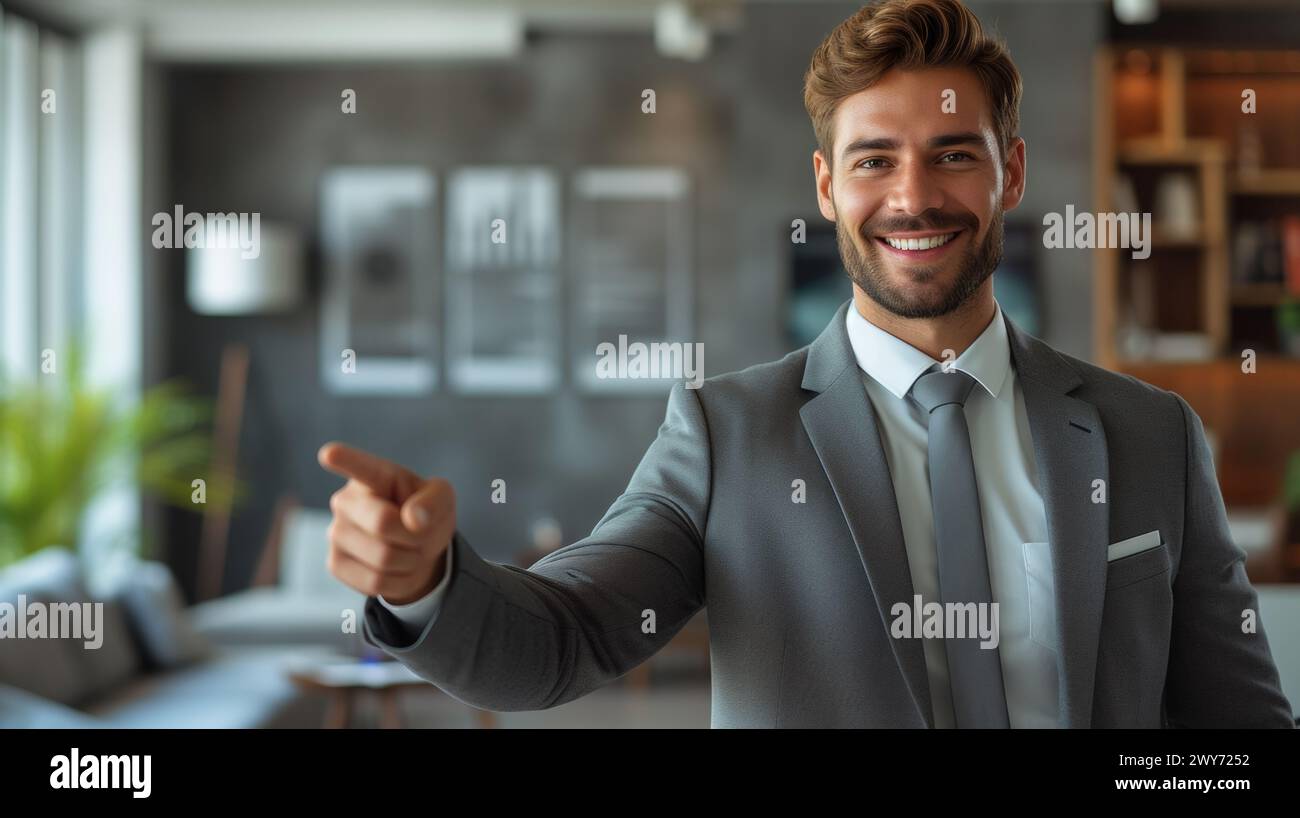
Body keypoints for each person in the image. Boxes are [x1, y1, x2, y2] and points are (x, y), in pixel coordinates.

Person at [318, 0, 1293, 728]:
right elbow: (564, 634)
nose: (913, 196)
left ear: (1013, 174)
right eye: (874, 159)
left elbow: (1235, 726)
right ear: (826, 186)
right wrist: (426, 584)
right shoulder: (725, 433)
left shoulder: (1148, 433)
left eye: (954, 153)